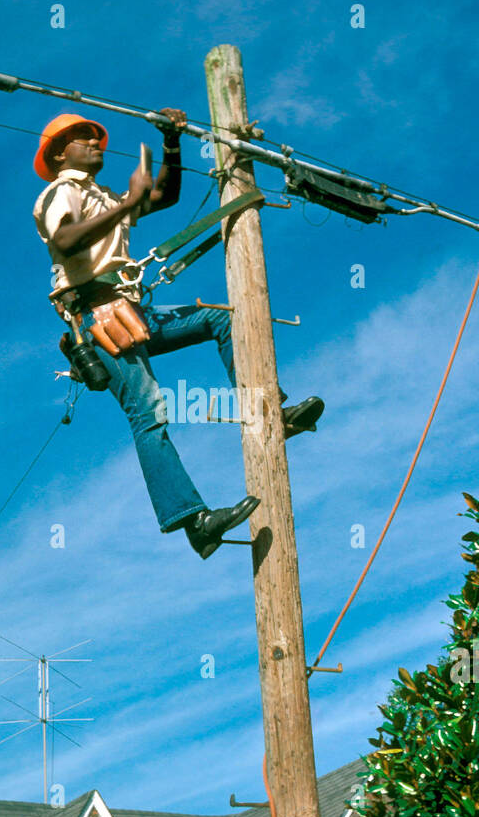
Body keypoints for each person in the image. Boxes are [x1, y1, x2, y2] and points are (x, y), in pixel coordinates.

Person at [31, 110, 324, 558]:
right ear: (58, 153)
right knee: (148, 411)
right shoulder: (60, 193)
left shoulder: (104, 197)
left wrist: (171, 142)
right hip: (95, 318)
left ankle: (273, 416)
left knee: (219, 319)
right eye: (82, 138)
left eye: (96, 135)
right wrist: (130, 204)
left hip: (129, 310)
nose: (95, 142)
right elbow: (66, 241)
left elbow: (165, 196)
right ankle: (193, 521)